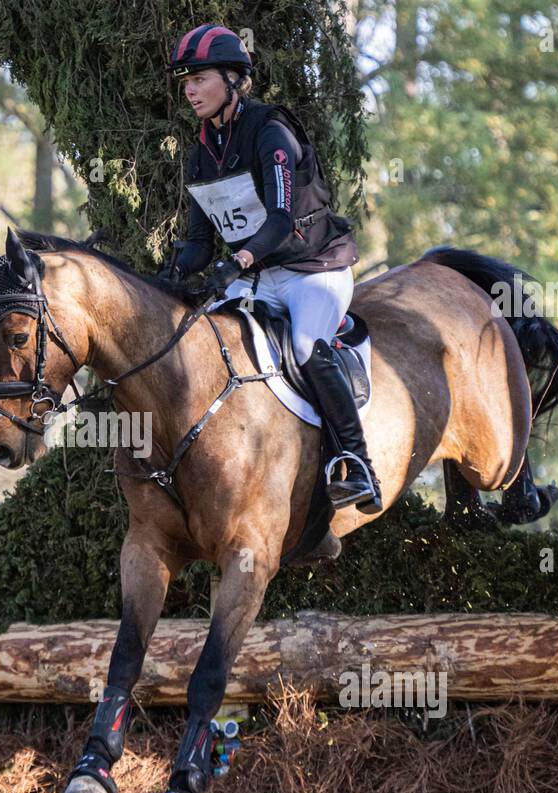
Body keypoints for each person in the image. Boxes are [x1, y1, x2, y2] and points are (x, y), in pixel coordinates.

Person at [162, 24, 381, 513]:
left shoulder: (271, 132)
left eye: (199, 78)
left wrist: (236, 260)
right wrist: (165, 274)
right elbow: (199, 243)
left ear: (234, 80)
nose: (190, 90)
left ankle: (358, 461)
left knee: (305, 345)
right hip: (257, 277)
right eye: (186, 82)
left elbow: (281, 219)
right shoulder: (201, 153)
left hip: (313, 269)